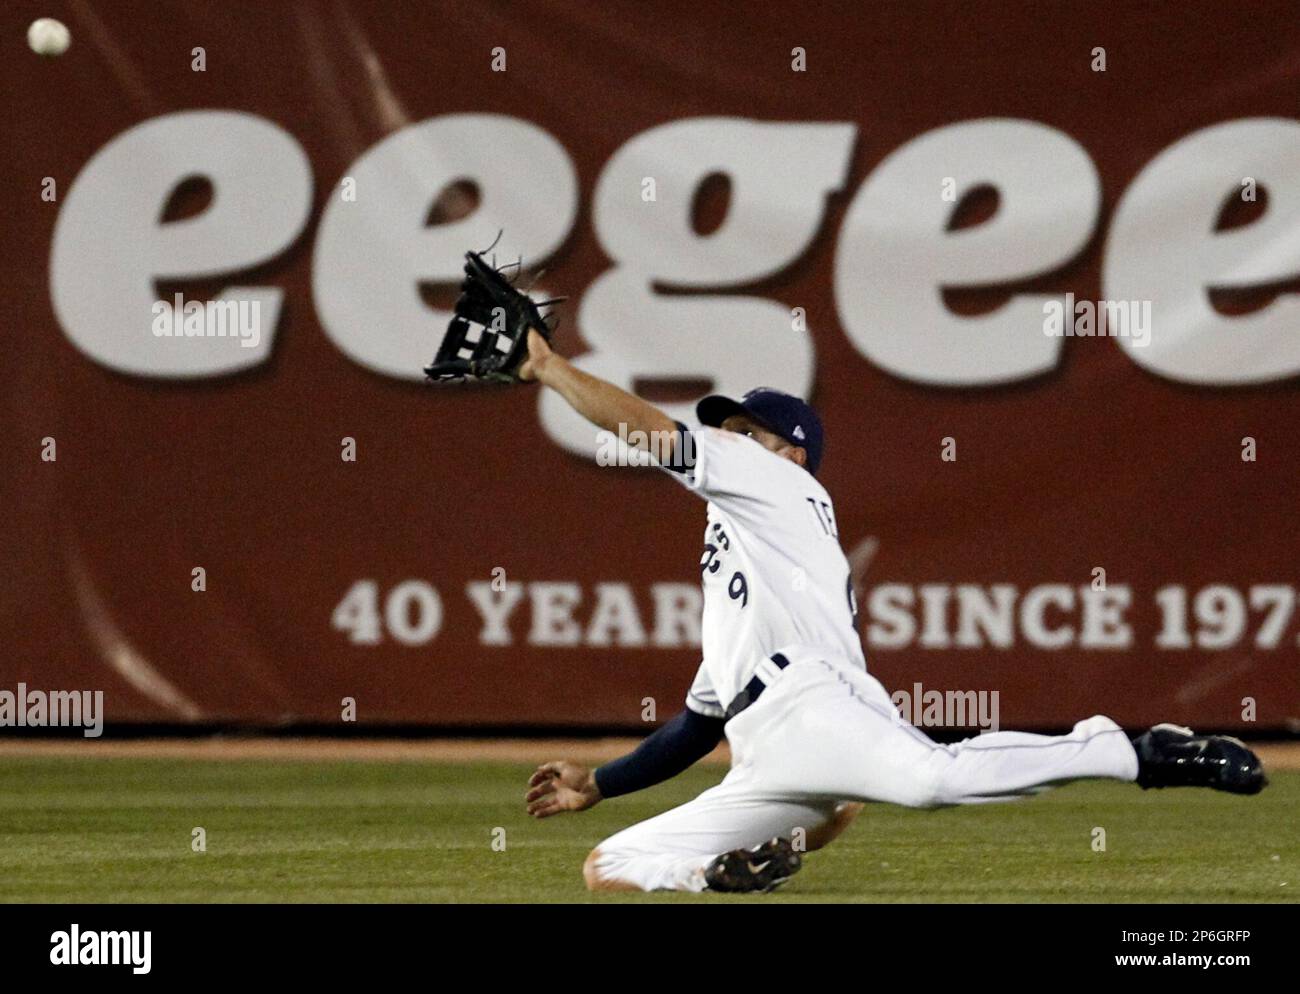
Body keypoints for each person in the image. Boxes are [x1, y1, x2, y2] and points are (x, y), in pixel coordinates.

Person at [517, 329, 1267, 893]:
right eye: (727, 430)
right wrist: (601, 785)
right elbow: (698, 727)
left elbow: (651, 434)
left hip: (810, 700)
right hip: (764, 748)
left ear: (789, 455)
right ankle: (720, 875)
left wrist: (548, 367)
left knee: (931, 782)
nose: (727, 438)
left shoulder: (777, 484)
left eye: (745, 430)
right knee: (607, 866)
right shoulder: (742, 554)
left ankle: (1123, 750)